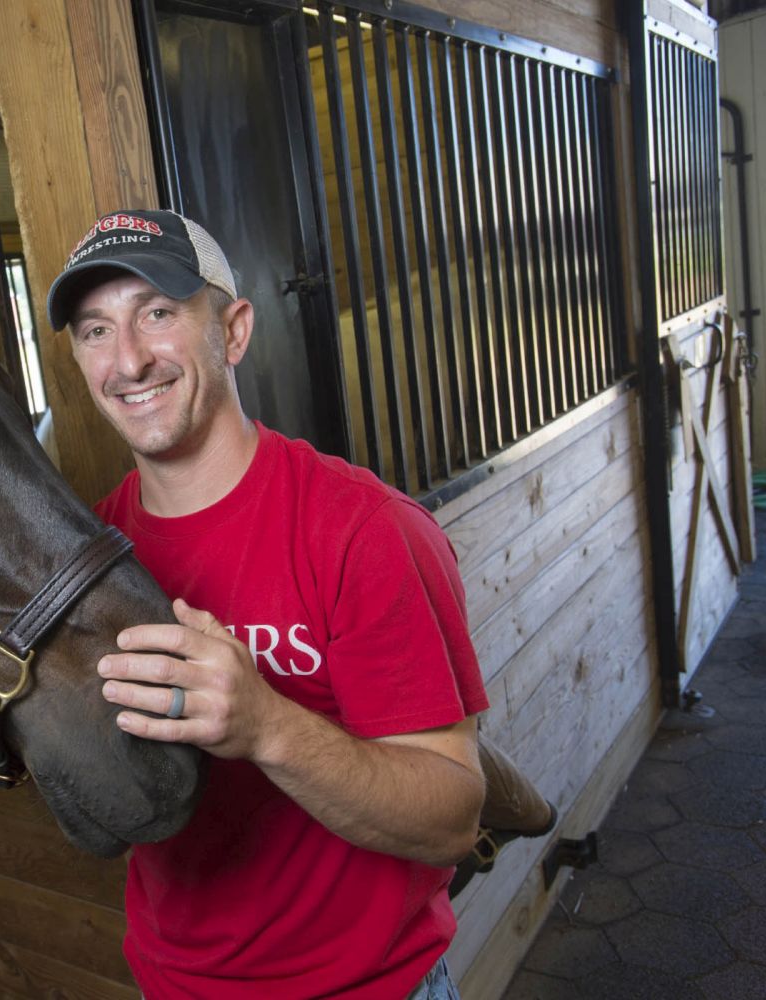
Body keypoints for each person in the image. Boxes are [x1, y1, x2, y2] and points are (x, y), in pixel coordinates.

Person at [46, 209, 489, 1000]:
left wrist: (264, 725)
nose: (129, 360)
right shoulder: (88, 554)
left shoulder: (365, 531)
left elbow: (452, 818)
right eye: (96, 330)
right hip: (170, 986)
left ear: (234, 331)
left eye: (158, 313)